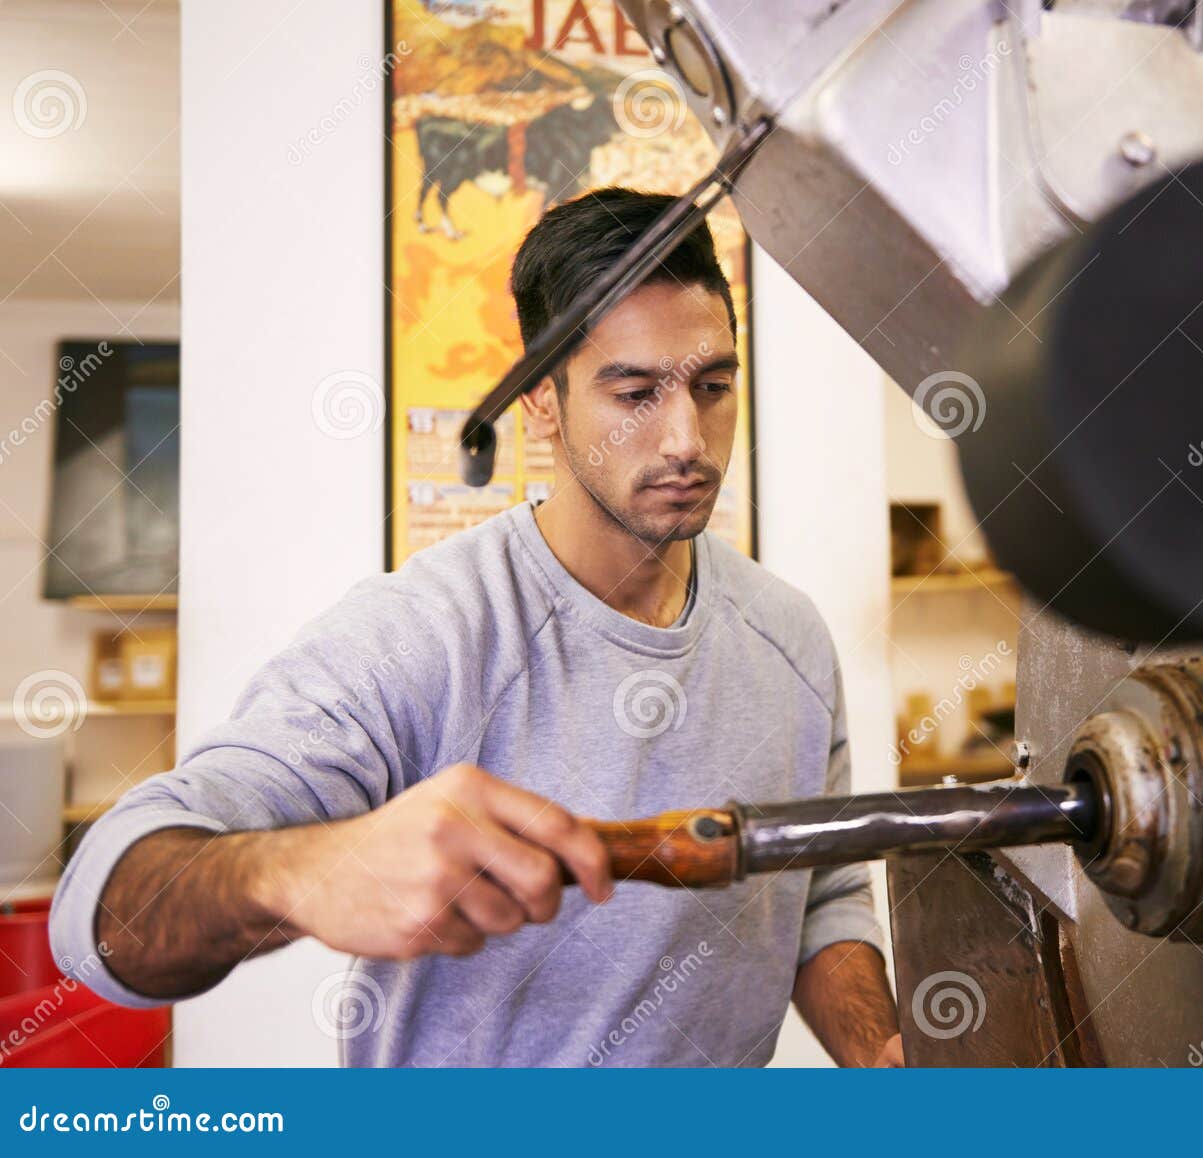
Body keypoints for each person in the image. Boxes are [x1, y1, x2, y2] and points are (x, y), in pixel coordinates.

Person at [50, 186, 903, 1068]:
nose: (688, 437)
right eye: (636, 393)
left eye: (714, 386)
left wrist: (877, 1050)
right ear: (541, 398)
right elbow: (99, 917)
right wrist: (303, 871)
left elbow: (822, 888)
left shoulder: (789, 636)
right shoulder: (421, 636)